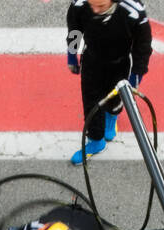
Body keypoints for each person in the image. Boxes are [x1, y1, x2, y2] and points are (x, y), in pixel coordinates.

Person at [66, 0, 152, 164]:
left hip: (120, 64)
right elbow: (75, 30)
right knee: (91, 102)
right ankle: (96, 141)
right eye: (92, 5)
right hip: (92, 61)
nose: (95, 11)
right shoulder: (80, 4)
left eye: (101, 6)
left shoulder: (134, 12)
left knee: (116, 98)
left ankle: (111, 119)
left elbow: (143, 46)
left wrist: (136, 75)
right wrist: (72, 55)